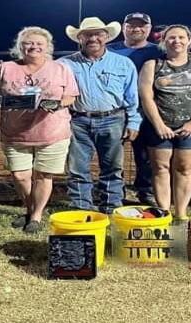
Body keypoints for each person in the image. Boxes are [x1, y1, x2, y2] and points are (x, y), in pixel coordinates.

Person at [0, 27, 79, 233]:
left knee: (43, 176)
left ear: (47, 47)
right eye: (29, 43)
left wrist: (57, 104)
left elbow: (71, 96)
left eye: (39, 44)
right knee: (20, 176)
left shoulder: (61, 68)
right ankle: (29, 209)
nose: (34, 47)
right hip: (15, 133)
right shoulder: (6, 68)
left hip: (52, 132)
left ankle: (36, 215)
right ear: (20, 46)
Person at [58, 17, 141, 214]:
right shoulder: (64, 64)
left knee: (113, 167)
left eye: (98, 34)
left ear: (106, 37)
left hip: (113, 118)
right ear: (80, 38)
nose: (93, 38)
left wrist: (134, 121)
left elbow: (132, 95)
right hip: (77, 119)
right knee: (77, 168)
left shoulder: (123, 63)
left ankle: (111, 206)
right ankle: (81, 206)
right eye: (87, 34)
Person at [138, 25, 191, 220]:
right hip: (159, 126)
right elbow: (146, 97)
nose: (177, 41)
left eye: (182, 37)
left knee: (185, 169)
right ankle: (164, 212)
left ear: (189, 41)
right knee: (160, 168)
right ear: (163, 41)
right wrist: (158, 124)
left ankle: (181, 214)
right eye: (172, 37)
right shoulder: (152, 65)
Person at [109, 12, 162, 206]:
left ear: (149, 29)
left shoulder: (159, 52)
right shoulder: (110, 51)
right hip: (117, 111)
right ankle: (115, 190)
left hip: (149, 110)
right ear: (124, 28)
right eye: (131, 25)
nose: (136, 29)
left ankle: (145, 190)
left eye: (142, 25)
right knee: (114, 155)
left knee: (146, 155)